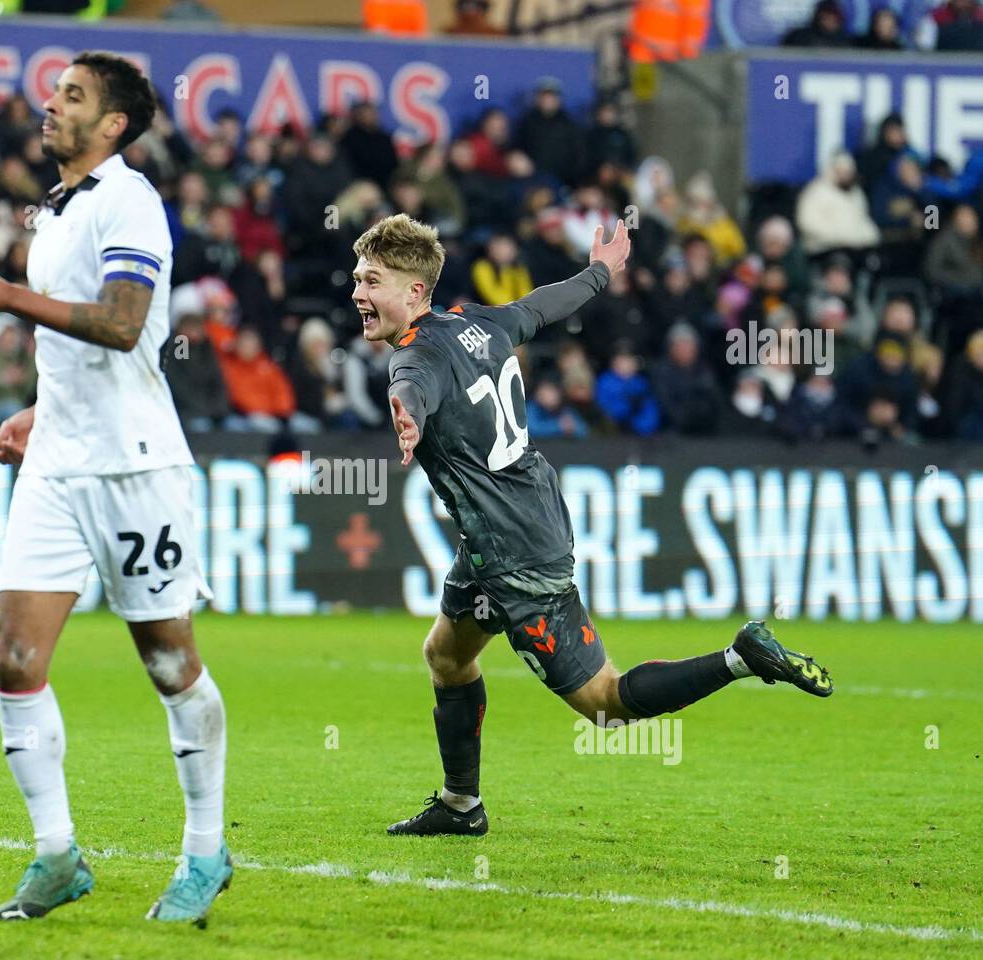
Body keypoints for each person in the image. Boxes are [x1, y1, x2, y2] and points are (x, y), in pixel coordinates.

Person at [350, 213, 834, 837]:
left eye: (372, 280)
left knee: (605, 706)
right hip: (512, 521)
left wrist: (408, 414)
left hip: (515, 552)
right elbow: (540, 307)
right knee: (445, 655)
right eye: (357, 278)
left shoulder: (415, 358)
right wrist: (600, 271)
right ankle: (460, 806)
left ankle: (740, 658)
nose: (358, 293)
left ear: (415, 292)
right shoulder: (475, 321)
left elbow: (414, 384)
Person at [0, 53, 231, 924]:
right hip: (57, 462)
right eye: (54, 92)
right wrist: (36, 407)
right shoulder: (56, 215)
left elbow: (125, 323)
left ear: (114, 127)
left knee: (169, 662)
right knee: (15, 660)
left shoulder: (129, 198)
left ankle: (206, 852)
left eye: (73, 97)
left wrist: (5, 295)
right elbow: (78, 350)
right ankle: (58, 854)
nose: (50, 106)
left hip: (134, 466)